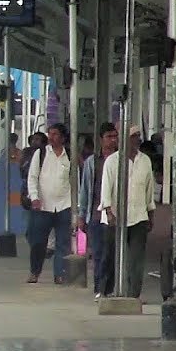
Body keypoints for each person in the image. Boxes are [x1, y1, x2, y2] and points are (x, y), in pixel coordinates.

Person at [98, 124, 156, 299]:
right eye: (133, 136)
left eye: (138, 135)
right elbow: (106, 189)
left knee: (136, 259)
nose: (137, 139)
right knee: (110, 256)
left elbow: (149, 190)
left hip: (138, 216)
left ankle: (133, 294)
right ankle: (105, 290)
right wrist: (109, 212)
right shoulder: (112, 161)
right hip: (115, 217)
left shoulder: (145, 161)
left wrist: (150, 214)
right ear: (124, 139)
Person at [26, 123, 74, 284]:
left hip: (64, 205)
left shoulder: (70, 156)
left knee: (63, 243)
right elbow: (32, 177)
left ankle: (59, 274)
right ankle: (35, 271)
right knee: (38, 242)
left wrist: (76, 206)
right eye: (50, 134)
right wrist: (34, 197)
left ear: (63, 138)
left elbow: (75, 181)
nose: (51, 137)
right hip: (43, 206)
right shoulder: (41, 154)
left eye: (55, 134)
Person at [77, 122, 118, 299]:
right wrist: (81, 215)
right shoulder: (92, 162)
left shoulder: (120, 161)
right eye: (109, 137)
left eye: (115, 136)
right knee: (99, 253)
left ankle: (110, 287)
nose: (113, 140)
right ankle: (100, 288)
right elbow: (85, 190)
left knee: (113, 254)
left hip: (115, 214)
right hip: (95, 214)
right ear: (101, 139)